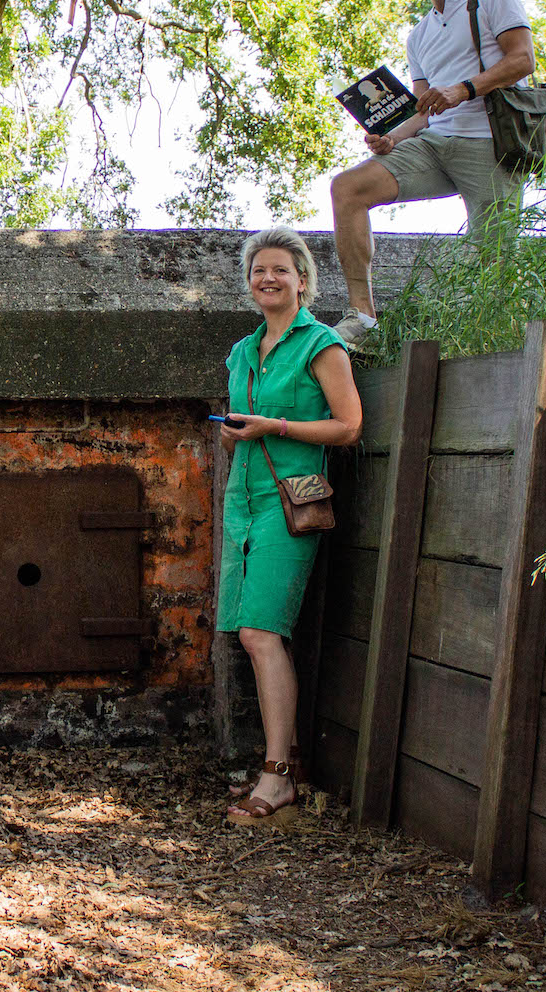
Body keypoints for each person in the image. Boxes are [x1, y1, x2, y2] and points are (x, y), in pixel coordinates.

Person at [327, 0, 539, 349]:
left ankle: (486, 343)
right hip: (433, 146)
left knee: (493, 264)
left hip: (488, 144)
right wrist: (393, 139)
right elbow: (423, 110)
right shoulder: (418, 37)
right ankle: (362, 319)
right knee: (347, 188)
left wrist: (463, 89)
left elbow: (523, 59)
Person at [218, 227, 363, 825]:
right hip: (243, 502)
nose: (268, 279)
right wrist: (238, 428)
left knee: (260, 633)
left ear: (303, 281)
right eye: (259, 271)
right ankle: (286, 763)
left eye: (280, 270)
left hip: (291, 502)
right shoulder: (242, 350)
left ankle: (277, 779)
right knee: (251, 633)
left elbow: (349, 426)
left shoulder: (322, 345)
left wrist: (273, 427)